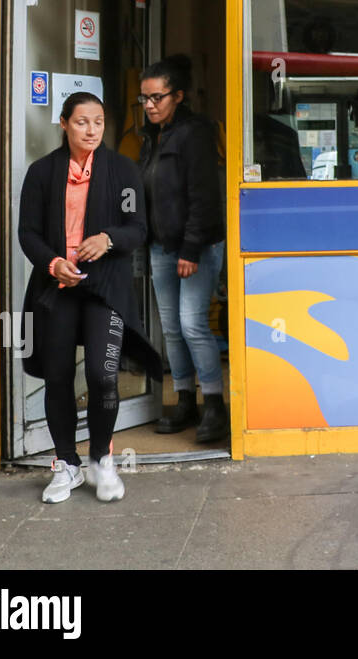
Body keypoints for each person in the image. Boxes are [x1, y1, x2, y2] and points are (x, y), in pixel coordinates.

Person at [18, 91, 162, 503]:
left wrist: (108, 238)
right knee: (58, 376)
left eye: (98, 121)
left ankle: (101, 459)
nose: (91, 130)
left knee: (102, 376)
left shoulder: (123, 171)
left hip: (106, 288)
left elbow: (137, 229)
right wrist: (51, 263)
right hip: (57, 288)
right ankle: (67, 465)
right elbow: (27, 232)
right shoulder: (42, 172)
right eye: (82, 122)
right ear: (63, 124)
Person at [138, 55, 228, 443]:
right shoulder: (150, 136)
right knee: (172, 329)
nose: (149, 105)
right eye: (143, 99)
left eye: (157, 98)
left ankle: (214, 405)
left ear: (178, 96)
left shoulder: (195, 133)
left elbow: (204, 197)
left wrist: (190, 250)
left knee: (193, 325)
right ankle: (184, 400)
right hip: (161, 246)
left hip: (198, 245)